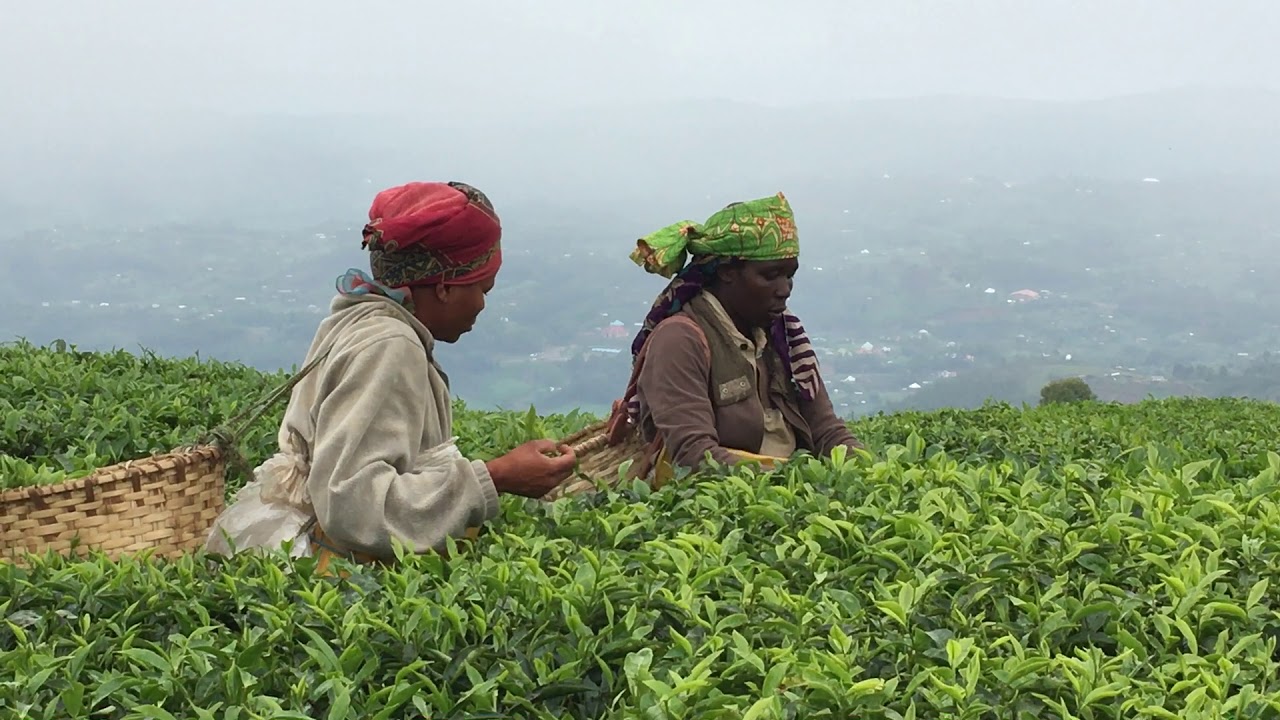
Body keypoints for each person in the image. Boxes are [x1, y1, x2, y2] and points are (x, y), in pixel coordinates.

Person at [205, 181, 576, 568]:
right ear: (446, 287)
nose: (483, 304)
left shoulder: (360, 317)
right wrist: (497, 477)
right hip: (330, 571)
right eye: (482, 287)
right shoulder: (390, 346)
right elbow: (353, 504)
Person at [610, 191, 862, 481]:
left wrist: (869, 471)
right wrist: (790, 485)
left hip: (789, 491)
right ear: (727, 272)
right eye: (770, 275)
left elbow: (827, 430)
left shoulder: (785, 337)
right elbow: (694, 455)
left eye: (790, 275)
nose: (785, 288)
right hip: (722, 505)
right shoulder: (680, 340)